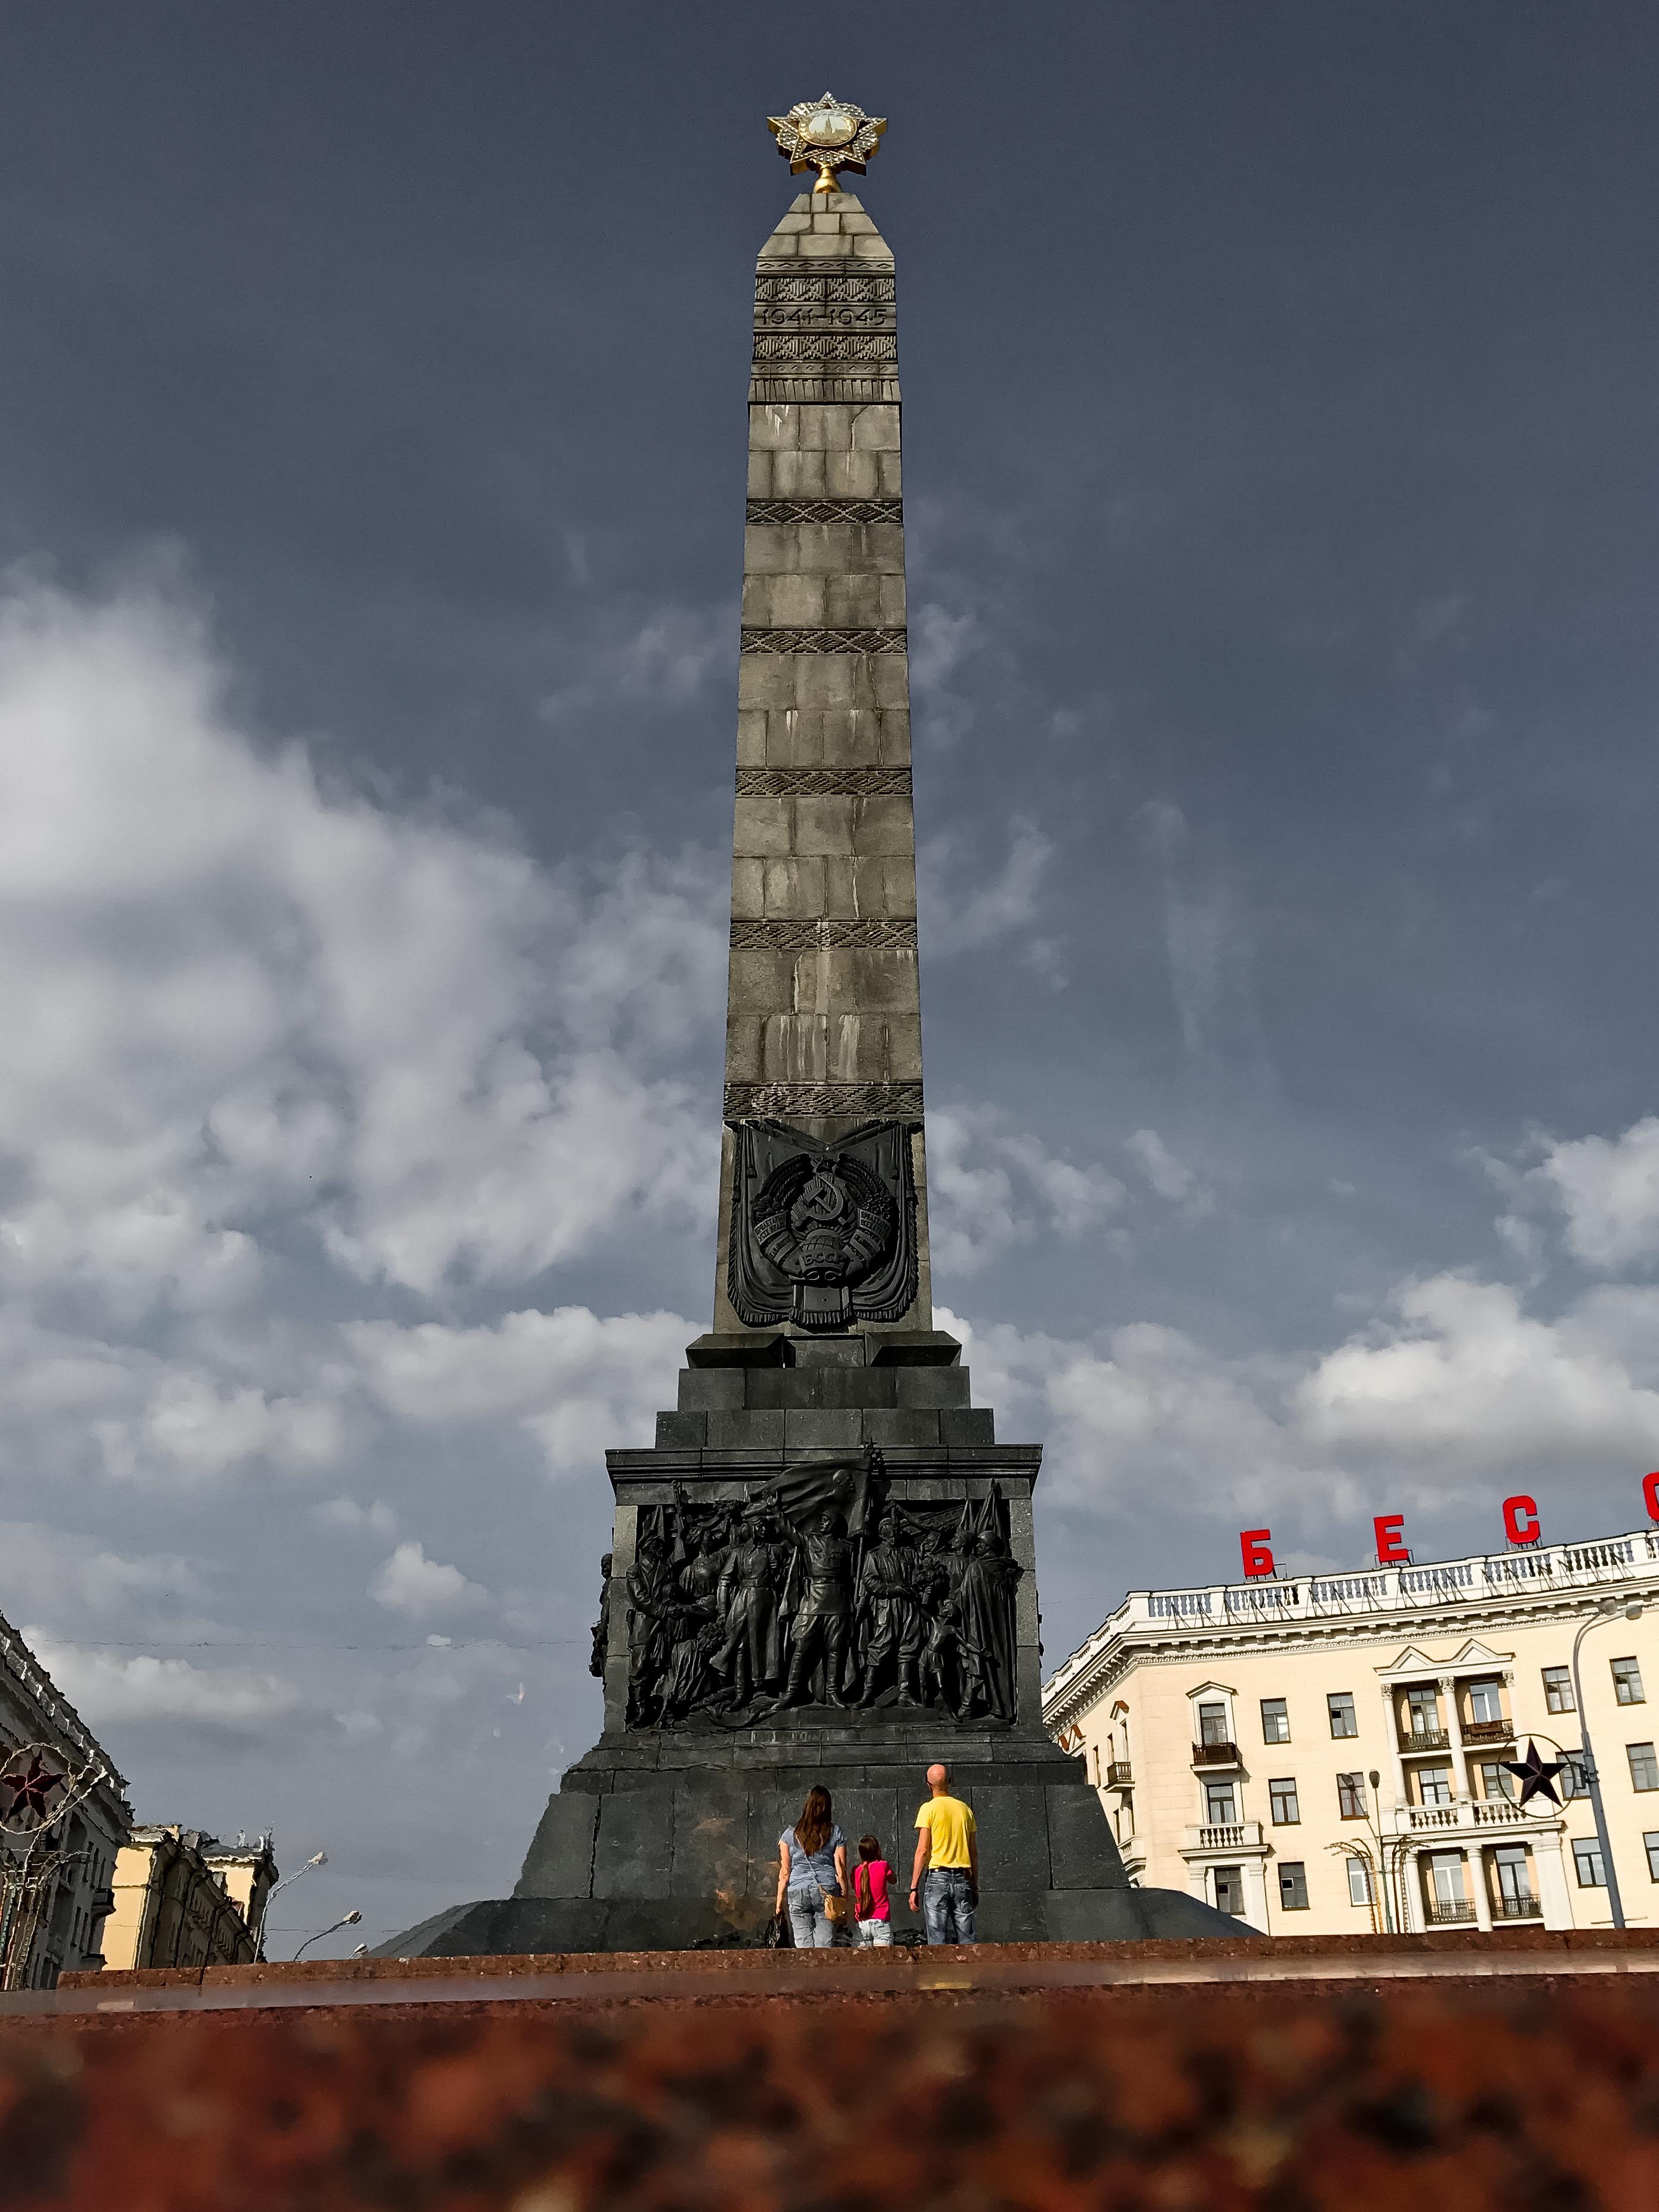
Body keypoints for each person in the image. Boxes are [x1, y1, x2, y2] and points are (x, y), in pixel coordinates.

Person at [909, 1761, 978, 1945]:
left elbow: (922, 1850)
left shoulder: (928, 1809)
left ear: (928, 1785)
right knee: (967, 1942)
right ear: (950, 1781)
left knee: (937, 1943)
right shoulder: (965, 1810)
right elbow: (974, 1854)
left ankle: (938, 1975)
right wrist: (975, 1886)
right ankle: (968, 1974)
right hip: (963, 1879)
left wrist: (914, 1887)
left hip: (937, 1879)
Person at [775, 1783, 848, 1949]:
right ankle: (822, 1974)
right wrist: (844, 1896)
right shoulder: (835, 1832)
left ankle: (805, 1974)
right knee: (824, 1945)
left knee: (803, 1946)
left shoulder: (789, 1835)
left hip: (797, 1890)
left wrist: (779, 1903)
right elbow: (841, 1868)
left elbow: (785, 1872)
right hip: (827, 1889)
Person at [851, 1833, 892, 1946]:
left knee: (861, 1961)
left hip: (861, 1922)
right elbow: (893, 1880)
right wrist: (880, 1858)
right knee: (883, 1961)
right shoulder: (883, 1865)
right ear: (877, 1850)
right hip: (881, 1921)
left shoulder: (856, 1870)